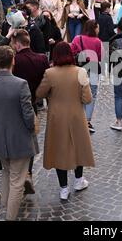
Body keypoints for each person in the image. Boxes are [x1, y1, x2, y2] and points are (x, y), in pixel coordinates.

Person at [0, 46, 37, 221]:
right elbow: (28, 114)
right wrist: (31, 129)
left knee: (7, 174)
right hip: (19, 139)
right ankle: (10, 217)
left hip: (0, 138)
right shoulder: (21, 84)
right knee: (17, 182)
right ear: (13, 60)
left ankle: (6, 208)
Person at [36, 42, 94, 200]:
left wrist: (51, 96)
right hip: (76, 116)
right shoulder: (80, 72)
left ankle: (63, 188)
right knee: (78, 147)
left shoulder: (49, 73)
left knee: (59, 150)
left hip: (56, 117)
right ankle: (79, 180)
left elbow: (39, 94)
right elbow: (87, 99)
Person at [11, 29, 49, 194]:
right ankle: (28, 172)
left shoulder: (15, 60)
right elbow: (46, 81)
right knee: (30, 140)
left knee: (14, 139)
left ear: (18, 44)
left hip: (13, 105)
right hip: (32, 103)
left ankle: (17, 173)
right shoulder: (41, 59)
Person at [71, 20, 103, 133]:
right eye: (97, 28)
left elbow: (72, 51)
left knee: (79, 93)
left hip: (80, 68)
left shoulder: (77, 38)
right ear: (94, 28)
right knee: (92, 94)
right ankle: (87, 121)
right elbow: (99, 57)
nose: (98, 30)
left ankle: (79, 119)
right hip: (93, 67)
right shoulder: (97, 41)